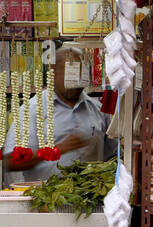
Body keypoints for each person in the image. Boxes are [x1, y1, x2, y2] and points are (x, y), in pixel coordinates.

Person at [3, 46, 115, 187]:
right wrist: (58, 149)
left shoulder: (99, 110)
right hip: (45, 201)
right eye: (71, 72)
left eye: (81, 73)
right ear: (53, 71)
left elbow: (113, 156)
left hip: (89, 201)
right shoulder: (31, 110)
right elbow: (11, 161)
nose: (76, 79)